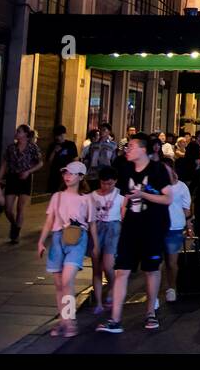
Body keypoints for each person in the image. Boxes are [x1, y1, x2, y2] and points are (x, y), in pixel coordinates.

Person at [96, 135, 172, 334]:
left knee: (151, 270)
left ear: (143, 149)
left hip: (152, 228)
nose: (127, 149)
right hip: (130, 227)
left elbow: (167, 199)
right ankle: (115, 319)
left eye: (131, 146)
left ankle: (150, 312)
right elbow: (124, 197)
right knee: (122, 270)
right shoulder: (126, 169)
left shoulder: (158, 170)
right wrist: (121, 214)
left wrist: (143, 195)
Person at [36, 161, 95, 336]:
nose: (67, 176)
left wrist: (96, 246)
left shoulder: (87, 199)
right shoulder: (57, 196)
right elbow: (49, 220)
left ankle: (69, 321)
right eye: (65, 173)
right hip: (57, 238)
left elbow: (92, 224)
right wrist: (40, 241)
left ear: (81, 177)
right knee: (58, 283)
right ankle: (64, 320)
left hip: (77, 239)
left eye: (72, 173)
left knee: (66, 281)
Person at [0, 125, 43, 244]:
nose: (16, 133)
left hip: (25, 178)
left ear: (26, 135)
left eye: (19, 131)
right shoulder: (11, 148)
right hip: (12, 177)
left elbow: (40, 163)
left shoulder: (33, 148)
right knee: (8, 208)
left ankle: (16, 233)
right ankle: (14, 224)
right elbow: (4, 164)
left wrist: (28, 171)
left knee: (20, 208)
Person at [89, 166, 122, 316]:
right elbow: (91, 220)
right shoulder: (93, 196)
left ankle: (113, 289)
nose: (106, 186)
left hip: (113, 230)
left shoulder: (120, 198)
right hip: (96, 230)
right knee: (96, 268)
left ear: (115, 181)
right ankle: (99, 302)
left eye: (110, 183)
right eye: (103, 183)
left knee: (108, 265)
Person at [162, 162, 192, 303]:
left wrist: (189, 224)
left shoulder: (181, 187)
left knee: (171, 261)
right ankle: (155, 292)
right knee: (156, 262)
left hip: (175, 227)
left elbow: (187, 208)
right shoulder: (155, 185)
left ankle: (171, 287)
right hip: (157, 227)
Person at [46, 125, 78, 194]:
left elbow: (75, 159)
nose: (58, 137)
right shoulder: (52, 145)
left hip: (67, 174)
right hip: (55, 174)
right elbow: (49, 161)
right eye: (57, 135)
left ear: (64, 134)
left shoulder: (70, 145)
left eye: (60, 135)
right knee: (54, 195)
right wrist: (54, 151)